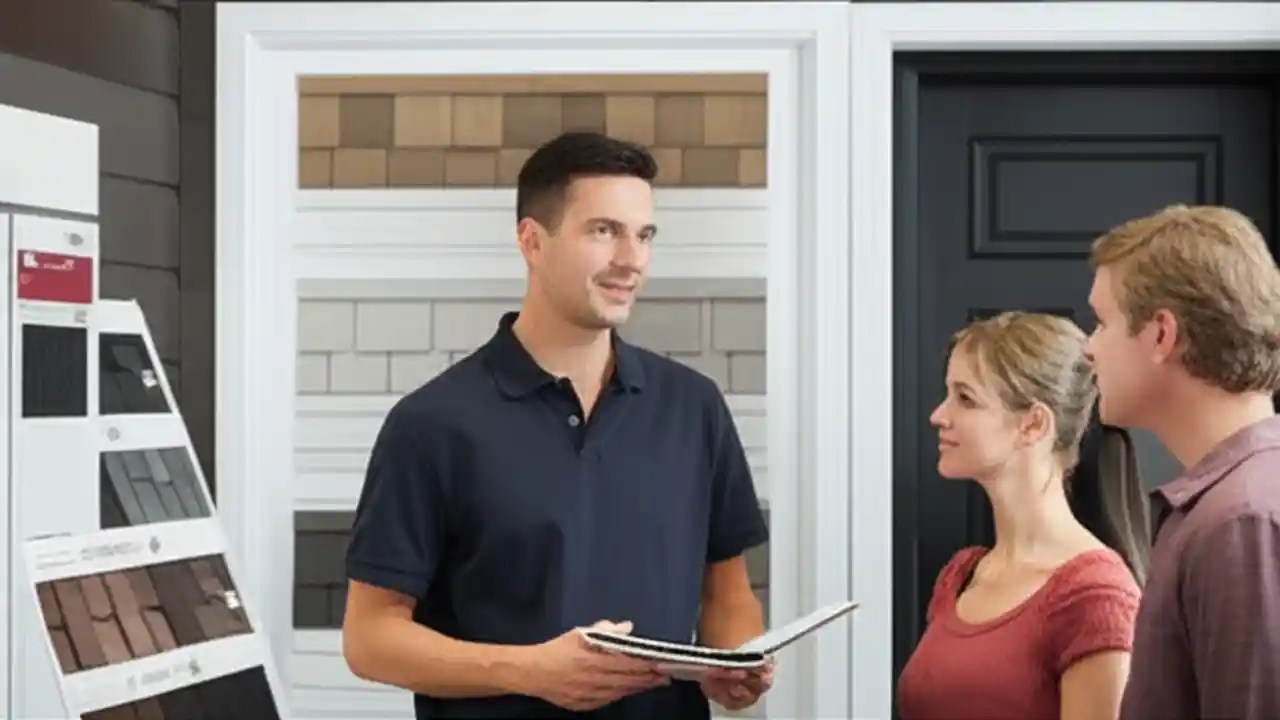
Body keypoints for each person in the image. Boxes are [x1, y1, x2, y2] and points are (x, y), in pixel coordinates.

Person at [339, 131, 773, 719]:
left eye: (643, 235)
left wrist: (734, 661)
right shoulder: (432, 424)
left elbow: (726, 594)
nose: (631, 259)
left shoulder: (693, 408)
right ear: (531, 241)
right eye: (603, 231)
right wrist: (529, 671)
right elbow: (370, 638)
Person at [897, 311, 1149, 720]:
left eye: (965, 398)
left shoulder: (1095, 595)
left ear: (1033, 425)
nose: (938, 415)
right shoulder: (960, 576)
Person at [1085, 204, 1280, 720]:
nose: (1088, 347)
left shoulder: (1243, 520)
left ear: (1161, 335)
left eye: (1102, 323)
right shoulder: (1229, 504)